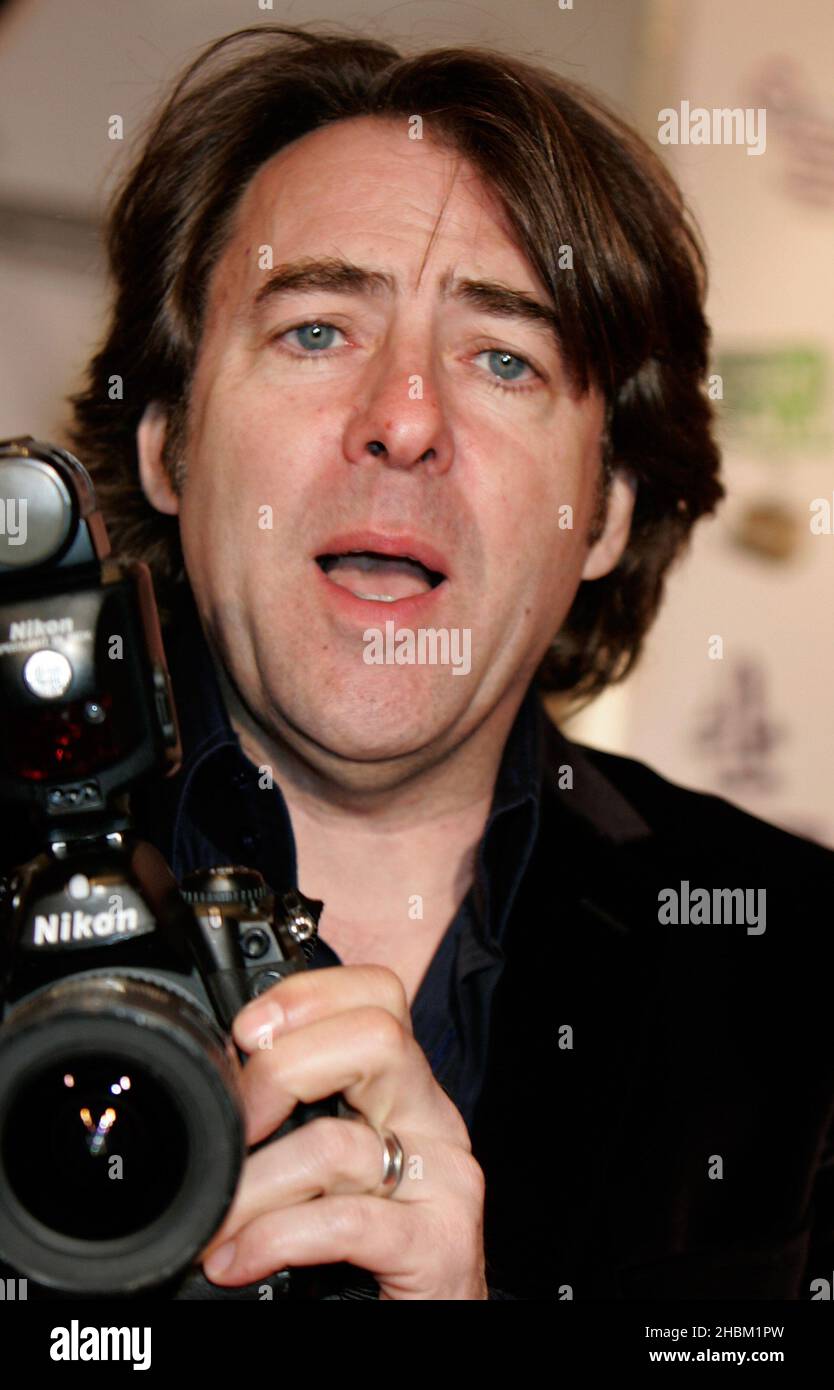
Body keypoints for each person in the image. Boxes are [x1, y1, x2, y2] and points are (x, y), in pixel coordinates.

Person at [59, 24, 834, 1300]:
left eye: (503, 358)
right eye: (316, 330)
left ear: (609, 512)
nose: (406, 419)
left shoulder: (804, 980)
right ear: (166, 450)